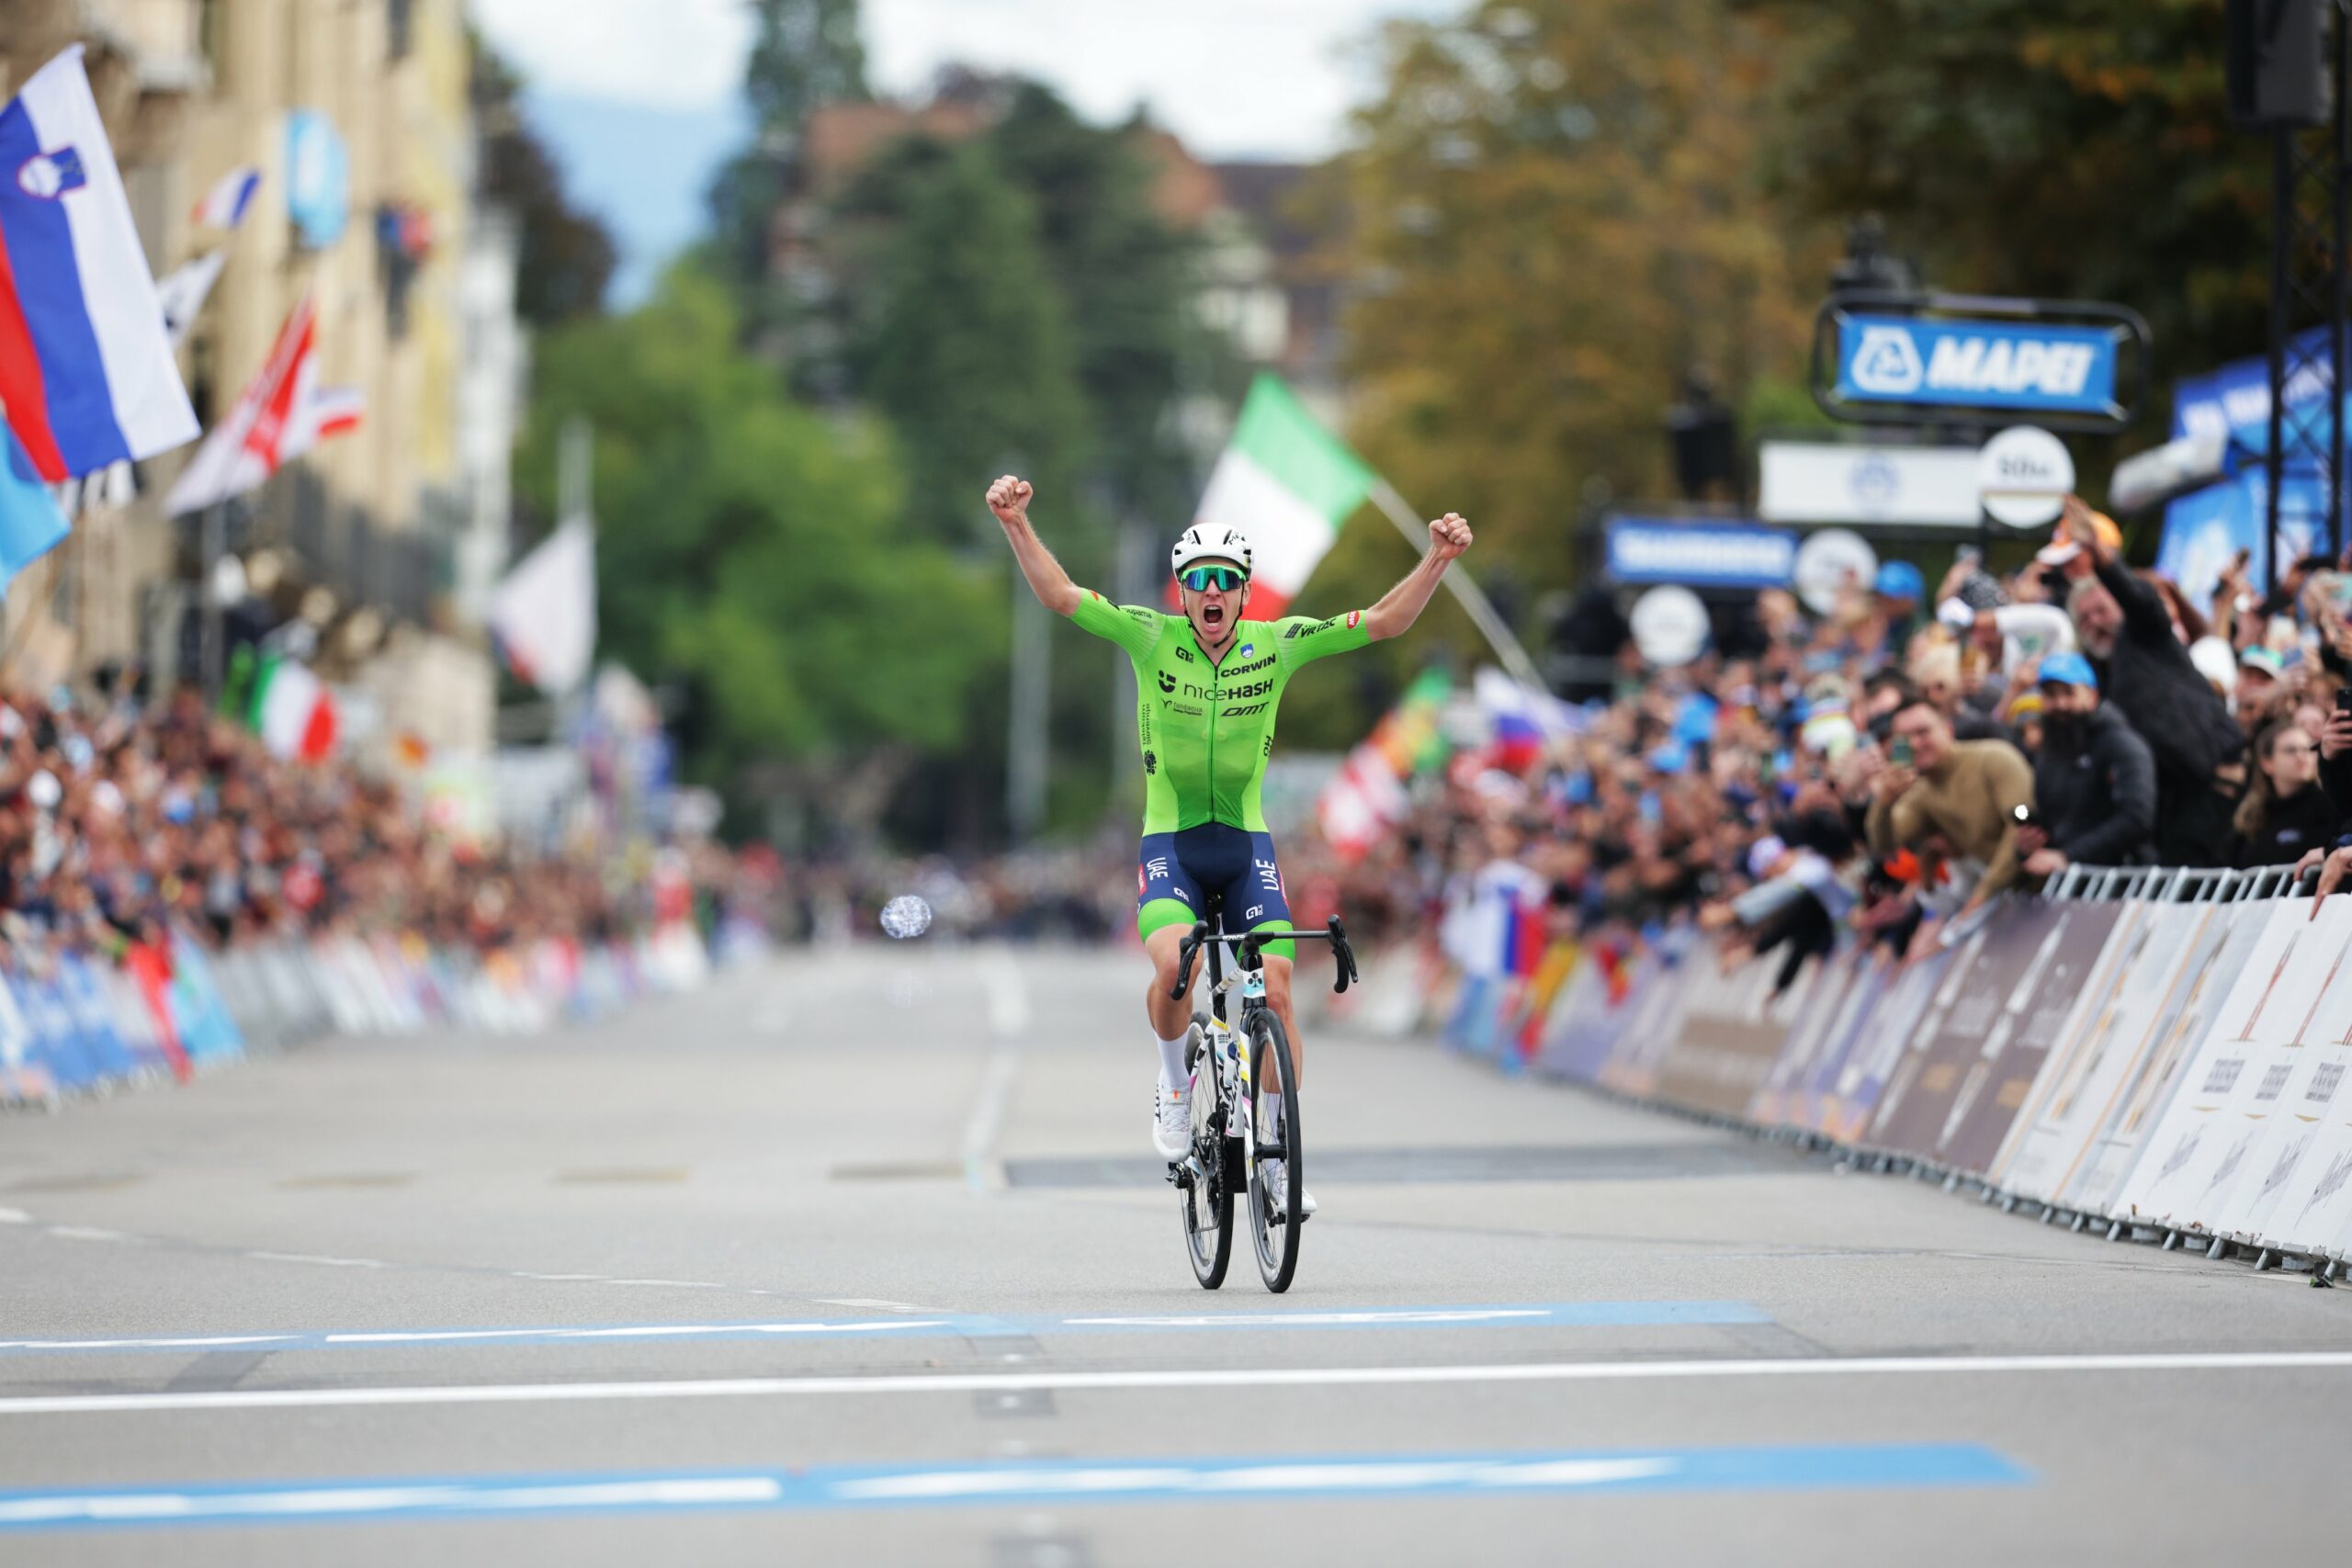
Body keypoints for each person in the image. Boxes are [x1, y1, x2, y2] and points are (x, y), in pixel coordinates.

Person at [987, 474, 1474, 1213]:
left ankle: (1279, 1159)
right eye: (1198, 582)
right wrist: (1017, 522)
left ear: (1244, 592)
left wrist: (1436, 559)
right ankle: (1176, 1083)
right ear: (1182, 592)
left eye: (1225, 581)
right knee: (1176, 973)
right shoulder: (1151, 637)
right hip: (1171, 844)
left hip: (1246, 845)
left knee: (1276, 992)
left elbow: (1382, 622)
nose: (1211, 593)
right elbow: (1061, 597)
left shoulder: (1277, 644)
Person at [2053, 500, 2246, 865]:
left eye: (2102, 610)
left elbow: (2140, 599)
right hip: (2172, 799)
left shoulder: (2146, 634)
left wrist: (2099, 556)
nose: (2095, 622)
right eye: (2085, 618)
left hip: (2218, 786)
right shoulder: (2096, 676)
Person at [1863, 695, 2035, 909]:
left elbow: (2020, 819)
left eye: (1923, 732)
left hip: (2050, 886)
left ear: (1947, 729)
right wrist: (1884, 802)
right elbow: (1885, 844)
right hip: (2007, 900)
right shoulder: (1921, 794)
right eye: (1905, 738)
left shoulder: (1994, 758)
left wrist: (1983, 895)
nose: (1916, 744)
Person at [2014, 651, 2155, 878]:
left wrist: (2068, 856)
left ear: (2092, 696)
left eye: (2069, 693)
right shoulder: (2049, 752)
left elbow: (2136, 818)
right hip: (2072, 886)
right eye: (2051, 694)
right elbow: (2048, 815)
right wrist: (2027, 835)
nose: (2060, 704)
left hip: (2123, 880)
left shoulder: (2120, 744)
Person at [2232, 719, 2340, 869]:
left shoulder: (2331, 805)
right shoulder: (2251, 816)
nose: (2302, 757)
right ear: (2267, 763)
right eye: (2290, 751)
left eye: (2308, 749)